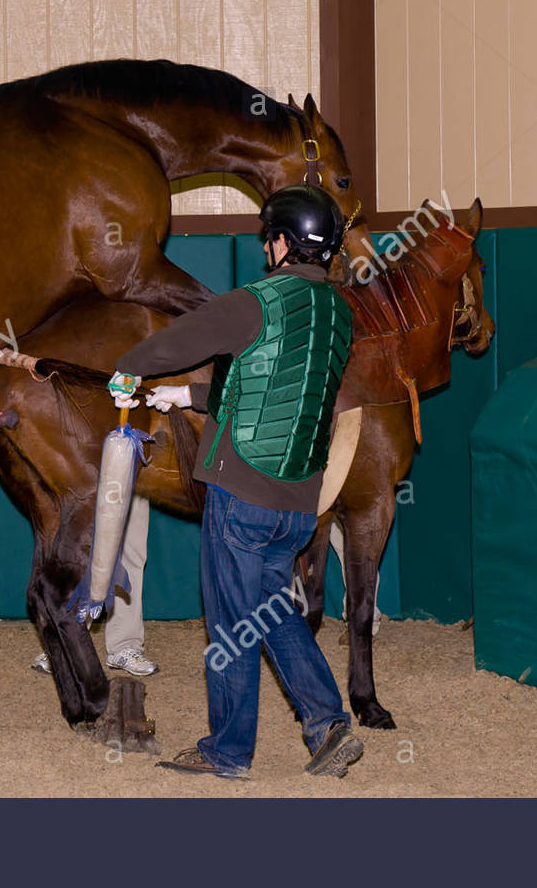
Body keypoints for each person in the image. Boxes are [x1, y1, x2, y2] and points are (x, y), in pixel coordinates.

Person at [107, 183, 363, 780]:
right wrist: (187, 397)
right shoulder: (340, 313)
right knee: (271, 610)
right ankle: (327, 723)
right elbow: (274, 384)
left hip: (243, 490)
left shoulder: (255, 301)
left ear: (283, 242)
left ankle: (228, 751)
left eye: (268, 239)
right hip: (298, 501)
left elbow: (179, 341)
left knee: (230, 622)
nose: (265, 249)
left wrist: (129, 368)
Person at [31, 493, 158, 677]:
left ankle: (125, 645)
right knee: (83, 547)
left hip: (137, 478)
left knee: (131, 549)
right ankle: (66, 644)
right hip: (91, 479)